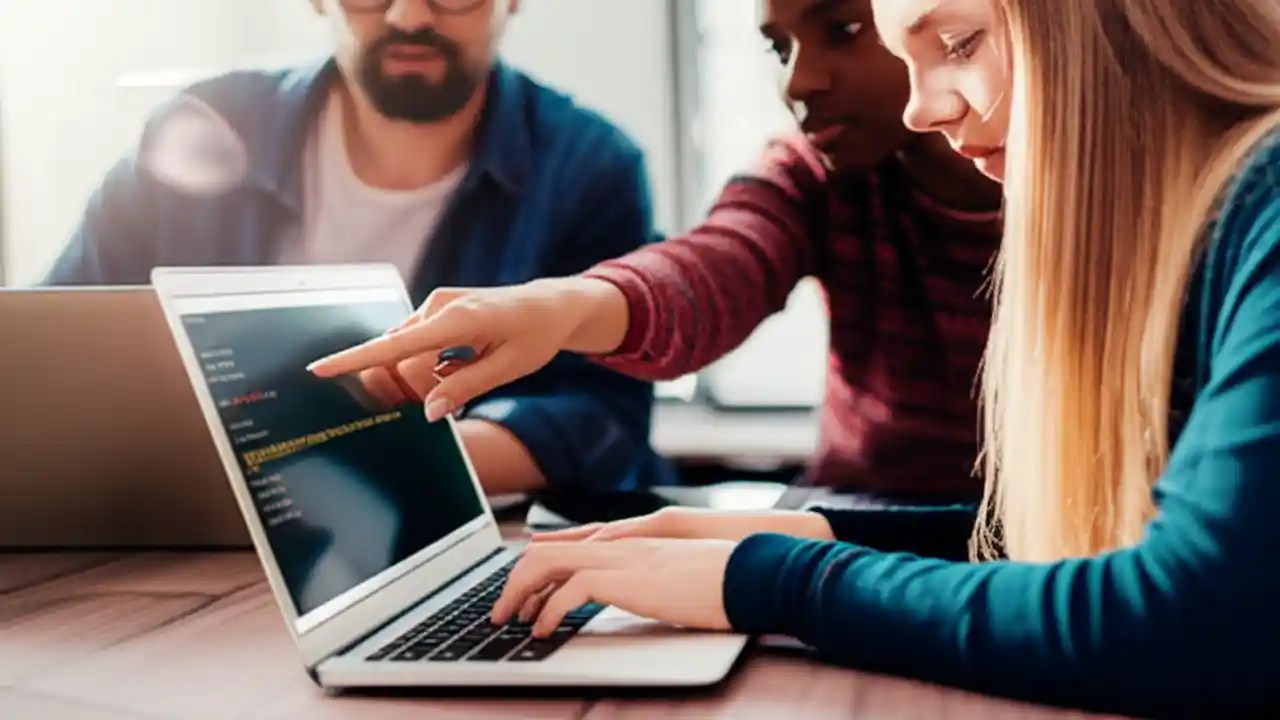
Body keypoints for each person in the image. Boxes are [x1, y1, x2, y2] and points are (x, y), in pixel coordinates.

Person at [312, 0, 1280, 715]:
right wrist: (805, 533)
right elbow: (717, 266)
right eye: (779, 47)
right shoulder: (1169, 210)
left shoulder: (1252, 208)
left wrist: (770, 577)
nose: (920, 106)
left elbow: (1190, 618)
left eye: (956, 42)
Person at [319, 0, 1006, 555]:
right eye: (779, 49)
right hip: (852, 531)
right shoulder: (810, 173)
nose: (799, 82)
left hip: (1019, 552)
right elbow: (713, 268)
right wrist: (564, 307)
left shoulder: (1065, 193)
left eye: (843, 31)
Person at [43, 0, 673, 495]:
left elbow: (602, 418)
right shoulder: (203, 125)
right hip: (189, 537)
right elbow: (54, 346)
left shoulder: (590, 167)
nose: (409, 15)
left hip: (449, 531)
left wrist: (350, 463)